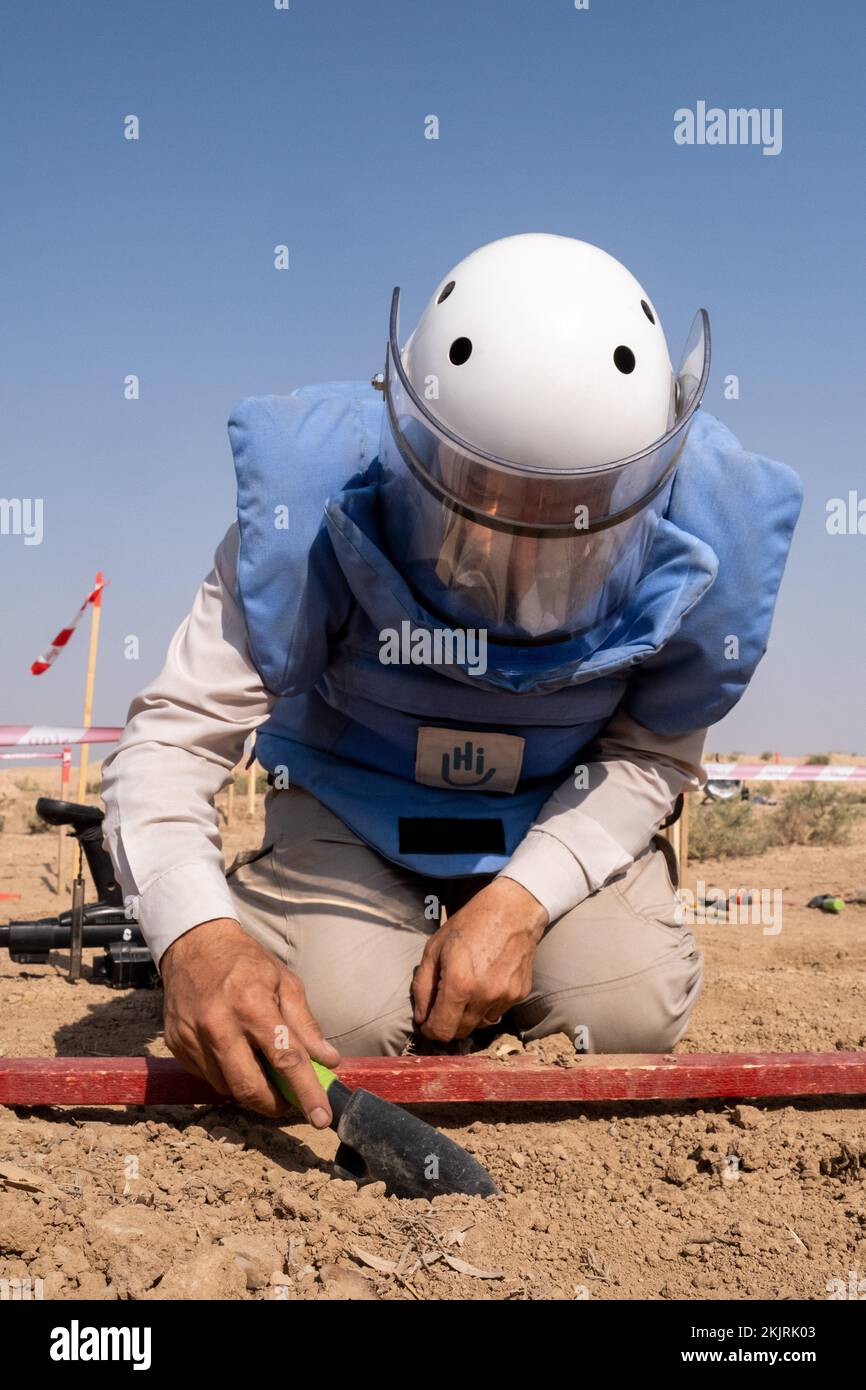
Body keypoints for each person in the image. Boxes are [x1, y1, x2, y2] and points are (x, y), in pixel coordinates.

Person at [101, 233, 801, 1126]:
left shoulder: (713, 541)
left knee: (624, 1013)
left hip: (554, 808)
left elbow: (650, 756)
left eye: (571, 537)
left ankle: (497, 950)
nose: (517, 580)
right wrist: (196, 937)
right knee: (338, 1024)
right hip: (355, 809)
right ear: (410, 452)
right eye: (482, 522)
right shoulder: (308, 505)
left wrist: (521, 899)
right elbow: (172, 737)